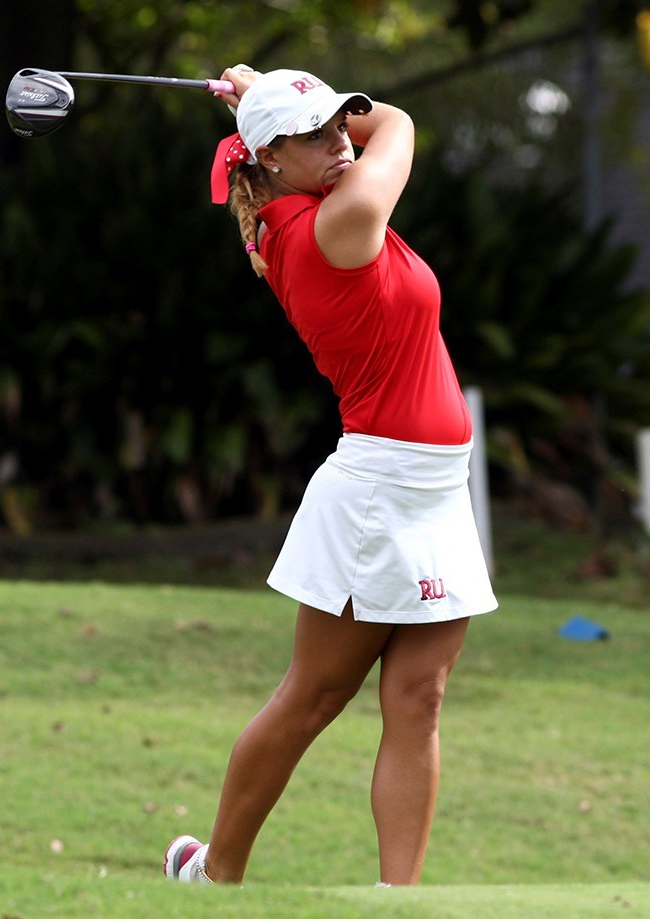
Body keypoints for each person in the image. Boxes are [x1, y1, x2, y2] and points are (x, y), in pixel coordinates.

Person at [162, 65, 497, 888]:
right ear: (270, 157)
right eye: (315, 135)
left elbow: (361, 132)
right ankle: (214, 873)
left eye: (340, 126)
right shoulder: (334, 224)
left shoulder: (313, 198)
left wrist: (272, 101)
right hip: (377, 495)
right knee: (312, 697)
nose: (341, 143)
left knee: (419, 700)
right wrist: (265, 99)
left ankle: (397, 901)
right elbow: (400, 125)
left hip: (437, 490)